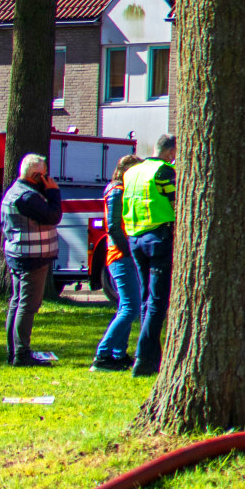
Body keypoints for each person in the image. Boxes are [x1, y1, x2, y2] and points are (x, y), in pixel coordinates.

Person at [123, 134, 177, 377]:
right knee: (157, 301)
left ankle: (151, 358)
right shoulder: (164, 171)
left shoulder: (133, 171)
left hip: (136, 238)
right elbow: (178, 200)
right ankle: (144, 358)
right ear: (170, 152)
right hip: (158, 238)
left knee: (147, 299)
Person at [2, 153, 63, 366]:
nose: (47, 180)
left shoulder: (13, 192)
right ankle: (21, 354)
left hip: (18, 254)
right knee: (27, 306)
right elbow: (53, 216)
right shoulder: (29, 197)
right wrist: (53, 193)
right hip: (32, 256)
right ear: (36, 176)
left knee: (17, 303)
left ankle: (14, 352)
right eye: (44, 176)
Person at [91, 154, 144, 370]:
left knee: (127, 305)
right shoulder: (117, 191)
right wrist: (129, 250)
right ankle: (103, 355)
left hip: (123, 255)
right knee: (131, 307)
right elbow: (113, 227)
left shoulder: (121, 190)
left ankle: (118, 353)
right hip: (119, 256)